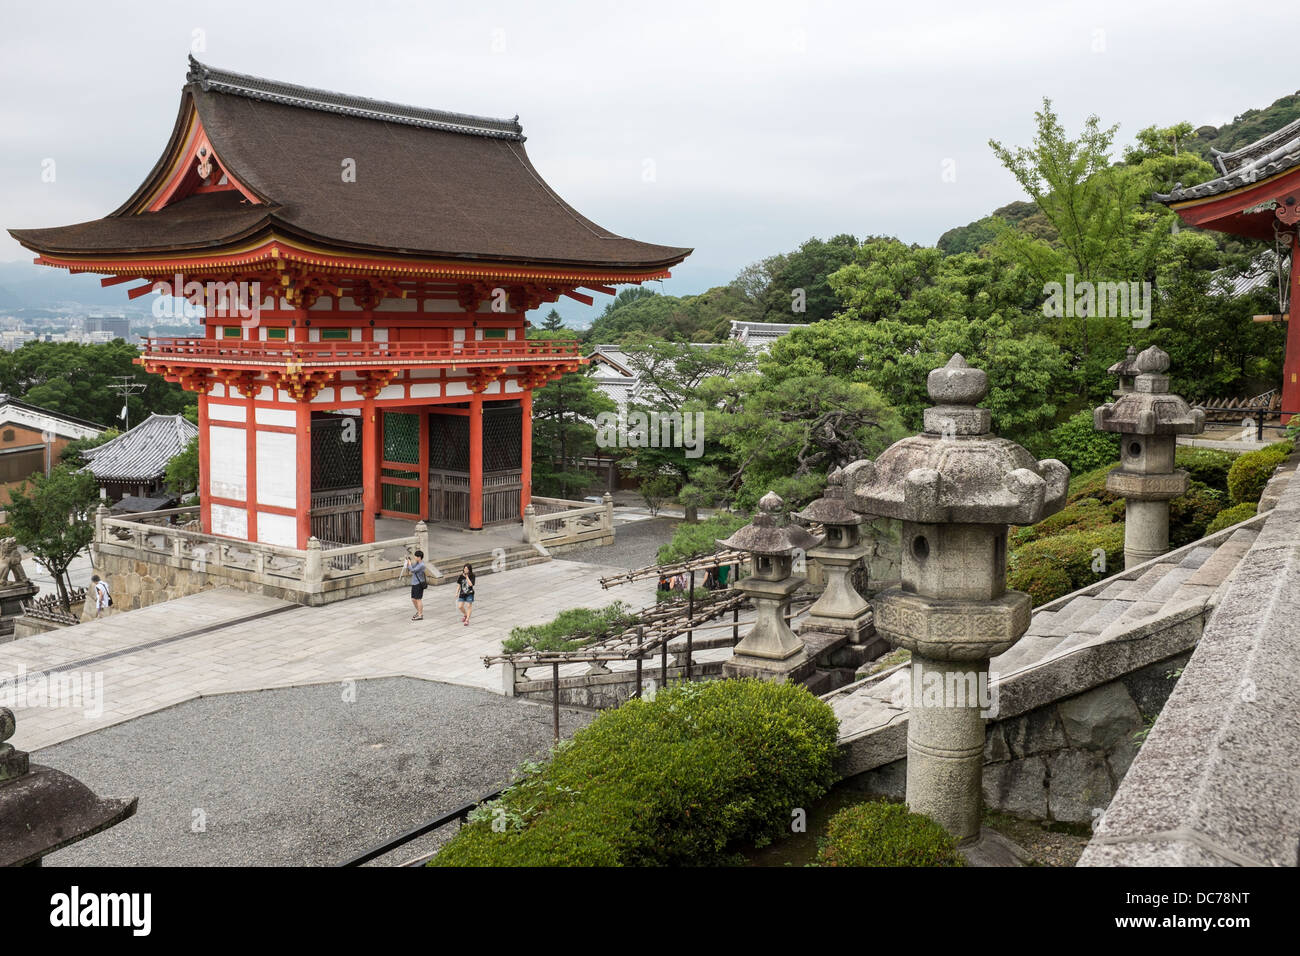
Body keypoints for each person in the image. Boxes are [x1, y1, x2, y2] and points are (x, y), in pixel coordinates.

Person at [403, 550, 427, 621]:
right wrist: (408, 563)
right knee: (413, 599)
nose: (415, 557)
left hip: (419, 584)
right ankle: (419, 611)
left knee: (418, 599)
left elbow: (413, 570)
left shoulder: (422, 565)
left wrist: (409, 564)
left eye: (416, 556)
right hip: (414, 583)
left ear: (419, 557)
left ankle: (420, 615)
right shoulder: (417, 563)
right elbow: (411, 568)